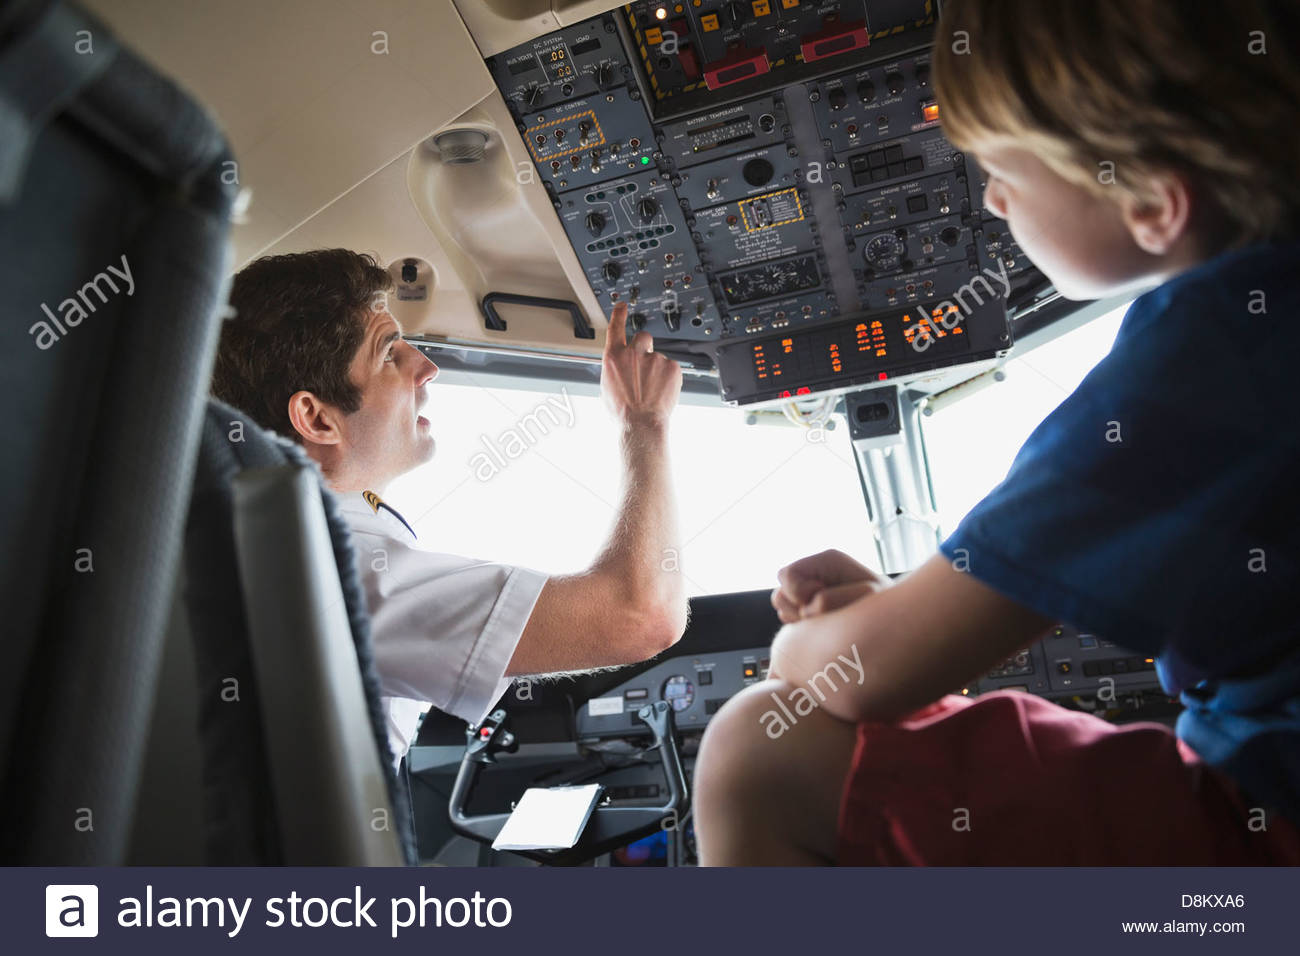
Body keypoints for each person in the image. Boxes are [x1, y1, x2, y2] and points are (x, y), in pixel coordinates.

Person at [693, 0, 1300, 865]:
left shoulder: (1216, 349)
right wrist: (891, 610)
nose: (991, 197)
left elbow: (870, 673)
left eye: (1002, 168)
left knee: (758, 744)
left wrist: (798, 645)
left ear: (1155, 204)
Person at [212, 249, 688, 765]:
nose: (427, 367)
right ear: (318, 419)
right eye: (390, 353)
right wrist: (642, 423)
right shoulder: (336, 567)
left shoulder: (258, 546)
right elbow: (640, 614)